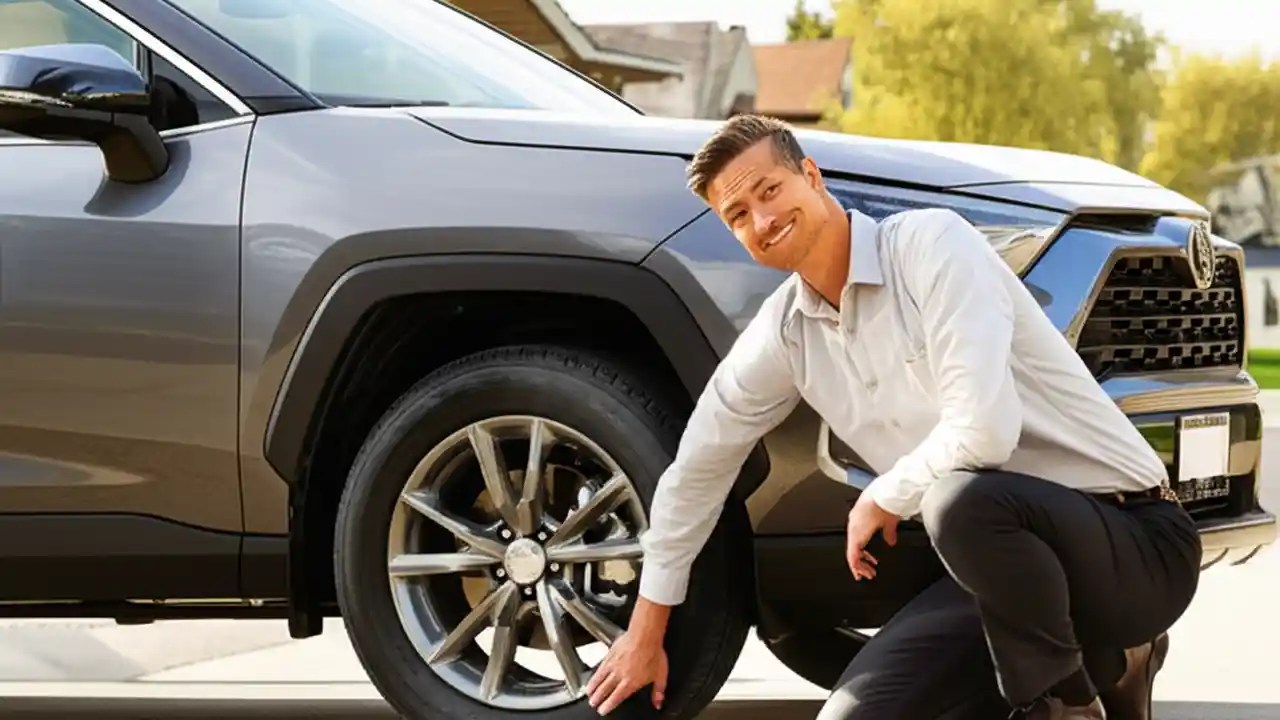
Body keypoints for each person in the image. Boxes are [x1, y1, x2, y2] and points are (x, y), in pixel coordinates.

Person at [582, 114, 1204, 719]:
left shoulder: (933, 245)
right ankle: (1110, 661)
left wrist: (884, 493)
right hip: (1004, 580)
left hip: (1133, 541)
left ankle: (1065, 705)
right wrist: (645, 630)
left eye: (770, 191)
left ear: (812, 176)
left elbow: (985, 429)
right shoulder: (787, 331)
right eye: (738, 216)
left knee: (958, 502)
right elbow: (697, 469)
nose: (763, 220)